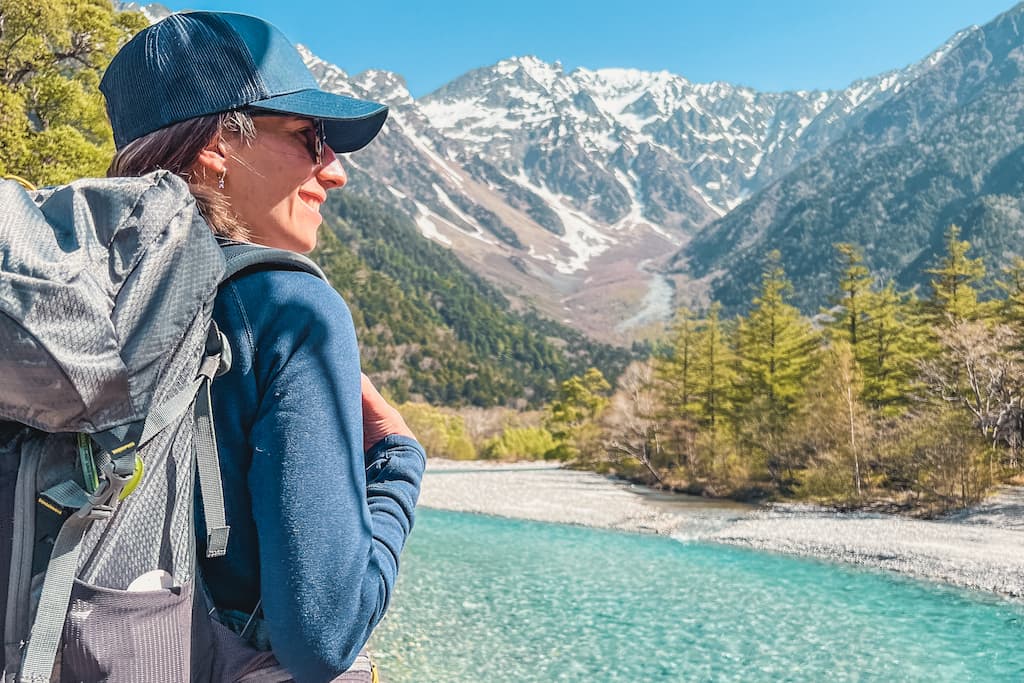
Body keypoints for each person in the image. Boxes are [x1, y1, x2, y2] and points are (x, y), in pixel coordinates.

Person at [99, 11, 426, 683]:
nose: (333, 172)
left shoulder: (83, 303)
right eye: (311, 138)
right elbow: (322, 636)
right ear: (219, 142)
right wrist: (397, 463)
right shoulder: (288, 309)